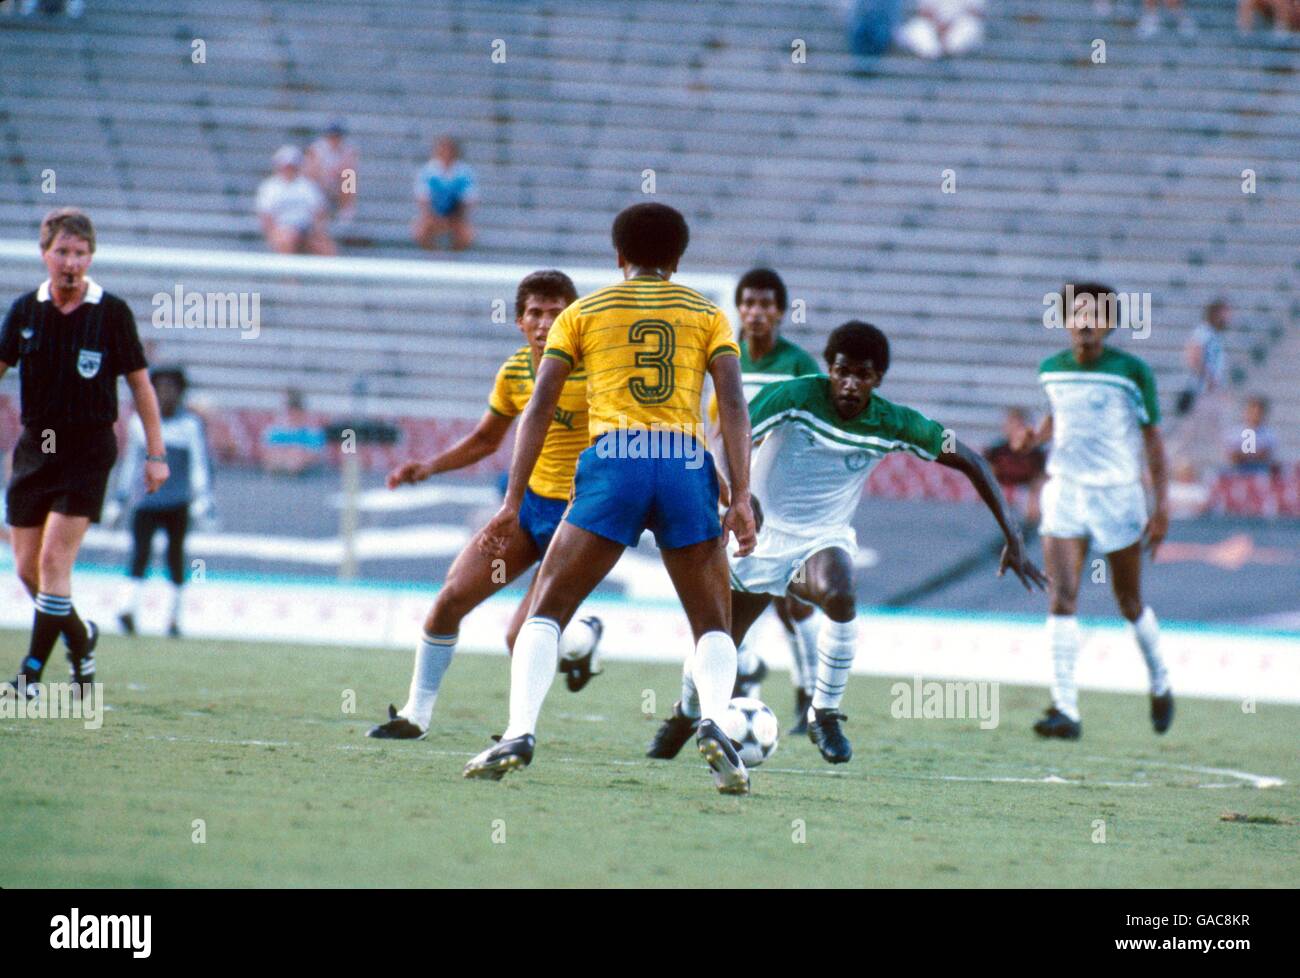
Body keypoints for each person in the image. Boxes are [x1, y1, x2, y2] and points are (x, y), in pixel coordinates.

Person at [649, 321, 1047, 765]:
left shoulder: (893, 421)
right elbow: (727, 431)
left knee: (839, 591)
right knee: (718, 641)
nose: (850, 383)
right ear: (830, 369)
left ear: (878, 380)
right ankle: (686, 713)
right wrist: (739, 495)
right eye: (843, 372)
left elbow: (970, 459)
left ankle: (825, 712)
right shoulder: (798, 395)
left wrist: (1012, 535)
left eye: (863, 375)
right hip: (758, 538)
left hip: (820, 542)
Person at [464, 202, 759, 794]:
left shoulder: (583, 312)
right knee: (712, 621)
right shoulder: (707, 314)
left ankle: (520, 731)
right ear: (678, 259)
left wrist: (512, 499)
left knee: (546, 609)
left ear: (617, 256)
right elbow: (732, 405)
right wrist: (741, 493)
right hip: (681, 459)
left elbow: (540, 408)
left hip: (614, 459)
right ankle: (713, 721)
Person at [366, 270, 604, 740]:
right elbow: (486, 439)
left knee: (521, 637)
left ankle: (522, 728)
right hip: (527, 509)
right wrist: (429, 467)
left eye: (557, 313)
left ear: (574, 319)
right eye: (536, 312)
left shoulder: (598, 371)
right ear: (519, 321)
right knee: (450, 599)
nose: (545, 322)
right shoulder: (516, 370)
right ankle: (415, 715)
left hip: (582, 518)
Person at [0, 208, 169, 697]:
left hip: (89, 451)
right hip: (35, 450)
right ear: (45, 255)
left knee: (55, 562)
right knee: (27, 570)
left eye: (80, 253)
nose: (71, 262)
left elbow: (142, 388)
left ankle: (30, 675)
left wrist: (156, 455)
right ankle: (81, 637)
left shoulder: (110, 313)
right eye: (62, 252)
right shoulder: (25, 312)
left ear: (91, 257)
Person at [1013, 282, 1172, 740]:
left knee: (1128, 600)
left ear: (1109, 324)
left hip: (1117, 495)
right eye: (1076, 313)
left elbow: (1153, 441)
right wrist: (1033, 438)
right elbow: (1057, 415)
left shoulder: (1131, 372)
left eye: (1095, 314)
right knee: (1061, 595)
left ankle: (1160, 680)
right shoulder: (1051, 371)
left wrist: (1161, 507)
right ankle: (1066, 709)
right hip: (1065, 490)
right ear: (1064, 321)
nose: (1085, 321)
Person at [710, 268, 823, 733]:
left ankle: (809, 694)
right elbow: (716, 427)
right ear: (739, 309)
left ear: (779, 312)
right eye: (748, 303)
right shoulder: (723, 357)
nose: (755, 312)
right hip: (735, 496)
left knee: (792, 600)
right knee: (730, 594)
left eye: (765, 304)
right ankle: (740, 686)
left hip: (783, 501)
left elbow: (812, 430)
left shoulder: (797, 365)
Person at [112, 367, 214, 638]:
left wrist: (203, 499)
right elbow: (131, 465)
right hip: (145, 501)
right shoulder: (139, 422)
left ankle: (173, 617)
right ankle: (128, 609)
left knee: (175, 557)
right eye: (160, 387)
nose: (166, 394)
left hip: (177, 502)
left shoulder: (190, 424)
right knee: (139, 553)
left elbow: (199, 465)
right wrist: (119, 499)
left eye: (172, 388)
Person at [1171, 298, 1232, 480]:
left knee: (1212, 430)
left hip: (1209, 393)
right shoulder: (1203, 333)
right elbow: (1193, 356)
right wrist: (1209, 379)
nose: (1228, 319)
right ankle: (1171, 464)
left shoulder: (1214, 335)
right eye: (1225, 314)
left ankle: (1225, 464)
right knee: (1189, 433)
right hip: (1201, 393)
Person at [256, 145, 336, 256]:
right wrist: (273, 234)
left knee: (325, 247)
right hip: (282, 229)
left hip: (306, 229)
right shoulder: (270, 187)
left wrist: (317, 229)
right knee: (288, 240)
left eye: (292, 166)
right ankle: (288, 273)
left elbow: (319, 211)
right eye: (286, 165)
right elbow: (266, 216)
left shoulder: (307, 185)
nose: (289, 169)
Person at [983, 406, 1047, 526]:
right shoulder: (997, 450)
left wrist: (1033, 492)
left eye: (1018, 425)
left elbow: (1040, 476)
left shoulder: (1034, 451)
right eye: (1011, 424)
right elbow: (987, 475)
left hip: (1026, 492)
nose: (1014, 429)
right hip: (1002, 491)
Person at [412, 136, 478, 251]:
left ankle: (455, 259)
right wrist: (433, 217)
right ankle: (432, 257)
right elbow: (423, 199)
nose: (446, 153)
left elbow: (468, 200)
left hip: (456, 216)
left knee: (467, 236)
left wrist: (455, 217)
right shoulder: (428, 171)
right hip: (433, 215)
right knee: (420, 232)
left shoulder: (464, 172)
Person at [304, 119, 359, 228]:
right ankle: (317, 215)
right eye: (332, 135)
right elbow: (310, 172)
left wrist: (336, 173)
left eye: (337, 136)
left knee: (349, 176)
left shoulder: (348, 150)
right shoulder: (316, 149)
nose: (334, 139)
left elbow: (349, 169)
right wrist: (325, 176)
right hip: (319, 184)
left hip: (337, 185)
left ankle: (346, 212)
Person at [898, 0, 986, 59]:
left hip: (959, 25)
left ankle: (948, 51)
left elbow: (975, 12)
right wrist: (939, 27)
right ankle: (933, 56)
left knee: (969, 27)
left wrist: (949, 27)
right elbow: (924, 11)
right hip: (934, 25)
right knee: (918, 28)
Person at [1225, 396, 1278, 474]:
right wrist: (1255, 454)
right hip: (1237, 472)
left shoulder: (1270, 434)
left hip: (1260, 473)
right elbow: (1233, 457)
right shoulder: (1234, 432)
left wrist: (1244, 455)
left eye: (1258, 412)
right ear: (1246, 412)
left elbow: (1266, 456)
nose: (1255, 415)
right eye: (1252, 411)